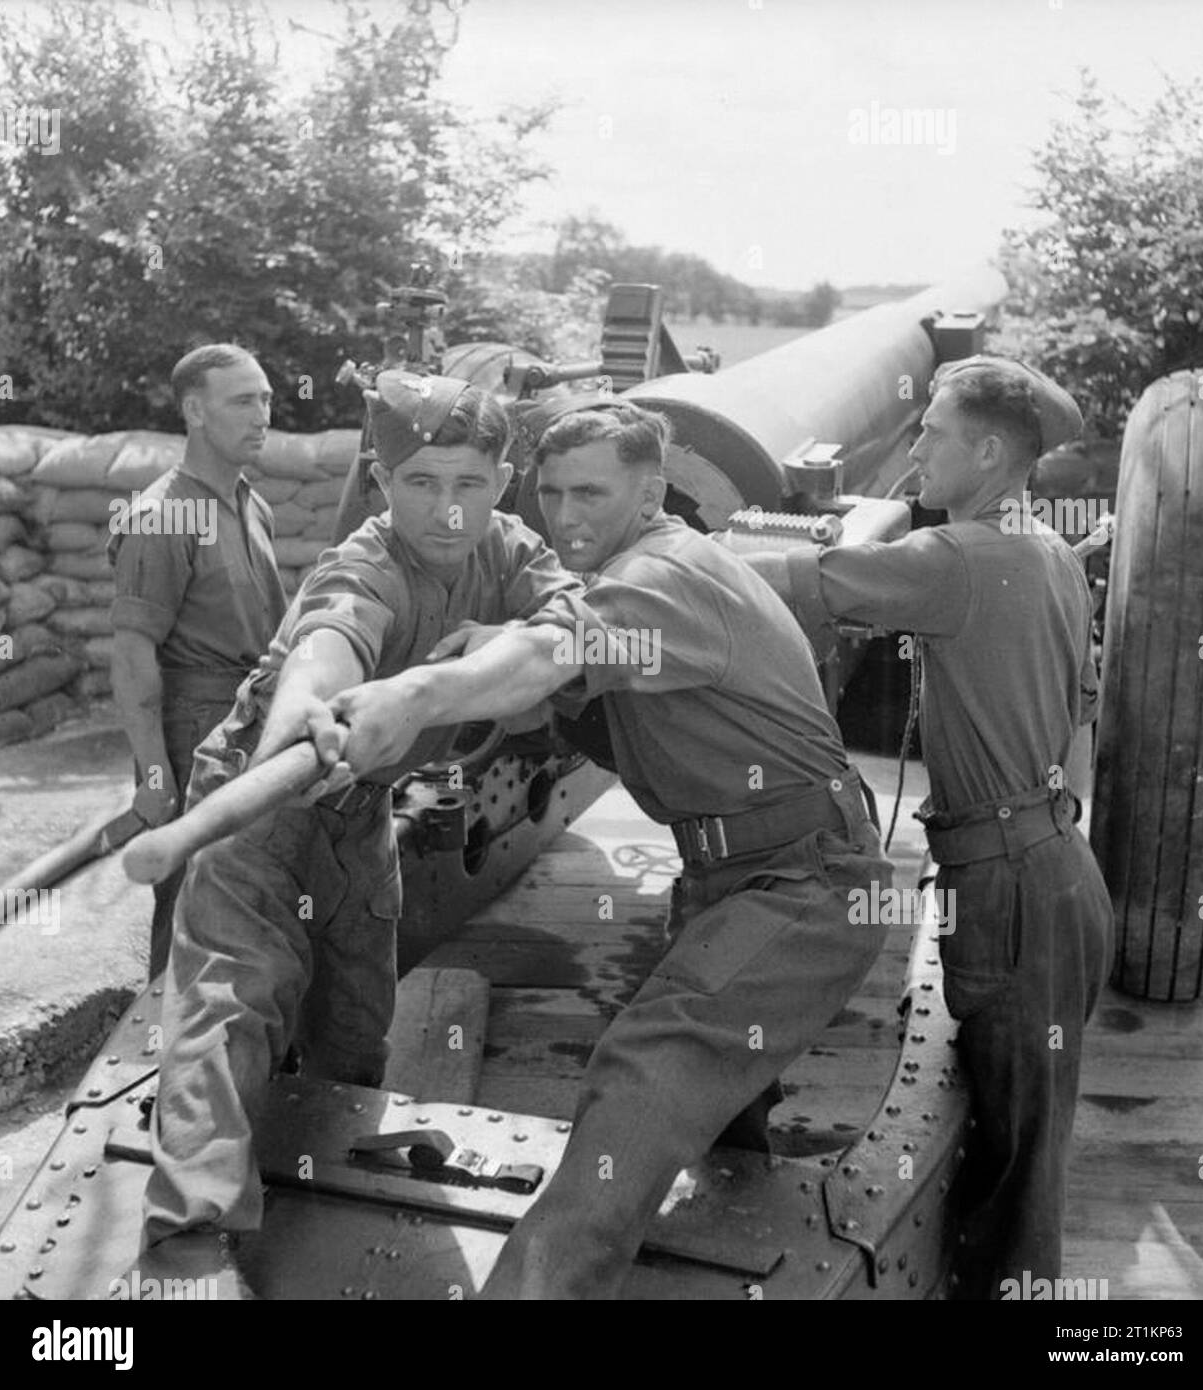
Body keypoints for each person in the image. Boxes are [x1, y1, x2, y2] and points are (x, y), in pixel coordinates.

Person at [316, 395, 892, 1299]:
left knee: (641, 1073)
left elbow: (559, 652)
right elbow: (573, 681)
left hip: (800, 883)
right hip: (738, 873)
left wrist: (425, 693)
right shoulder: (640, 575)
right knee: (713, 1105)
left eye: (592, 493)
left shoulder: (665, 572)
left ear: (652, 490)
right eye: (550, 494)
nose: (567, 516)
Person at [135, 372, 581, 1296]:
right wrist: (304, 725)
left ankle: (327, 1199)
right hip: (259, 804)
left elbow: (575, 623)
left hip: (363, 815)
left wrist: (485, 666)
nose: (447, 511)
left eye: (468, 484)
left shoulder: (515, 552)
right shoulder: (366, 562)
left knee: (355, 1024)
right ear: (381, 481)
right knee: (229, 1007)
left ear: (503, 481)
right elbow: (322, 648)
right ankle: (191, 1241)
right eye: (421, 483)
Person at [739, 356, 1114, 1299]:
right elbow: (1076, 711)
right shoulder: (1052, 555)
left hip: (1010, 890)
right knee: (1018, 1154)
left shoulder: (957, 559)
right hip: (1054, 870)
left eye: (932, 434)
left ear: (987, 452)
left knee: (1015, 1183)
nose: (914, 446)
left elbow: (796, 580)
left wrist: (671, 549)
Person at [108, 344, 287, 978]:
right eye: (243, 400)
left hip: (249, 718)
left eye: (265, 398)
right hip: (193, 729)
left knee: (251, 896)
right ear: (194, 410)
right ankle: (156, 1057)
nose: (262, 413)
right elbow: (131, 657)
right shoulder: (163, 516)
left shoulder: (249, 503)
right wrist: (156, 777)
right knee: (190, 903)